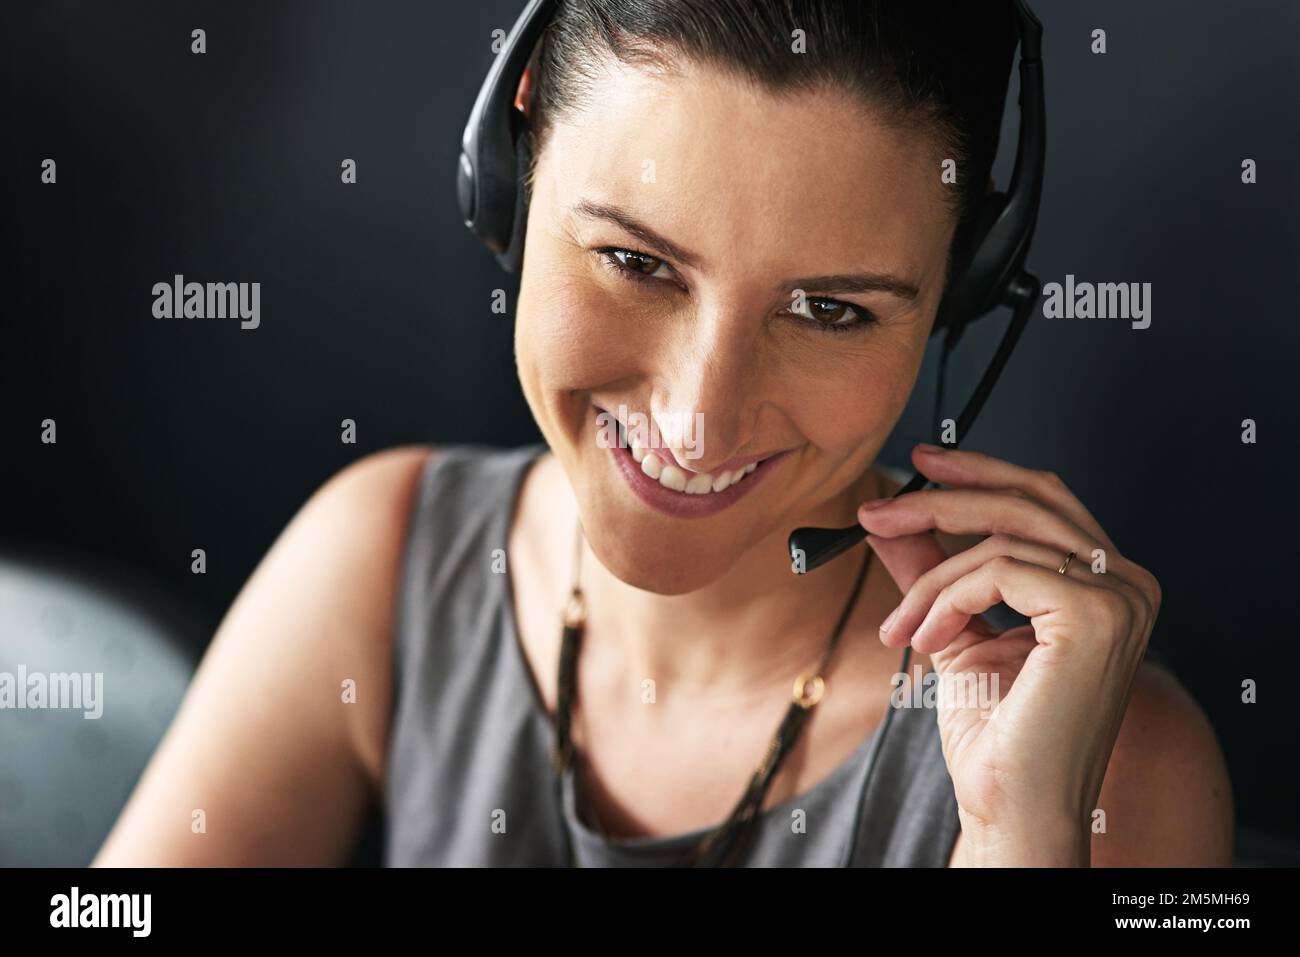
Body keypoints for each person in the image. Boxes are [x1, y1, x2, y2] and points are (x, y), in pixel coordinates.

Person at [93, 0, 1232, 867]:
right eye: (636, 264)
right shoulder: (384, 557)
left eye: (830, 310)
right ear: (513, 161)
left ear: (963, 289)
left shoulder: (1108, 759)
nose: (698, 419)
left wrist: (1020, 836)